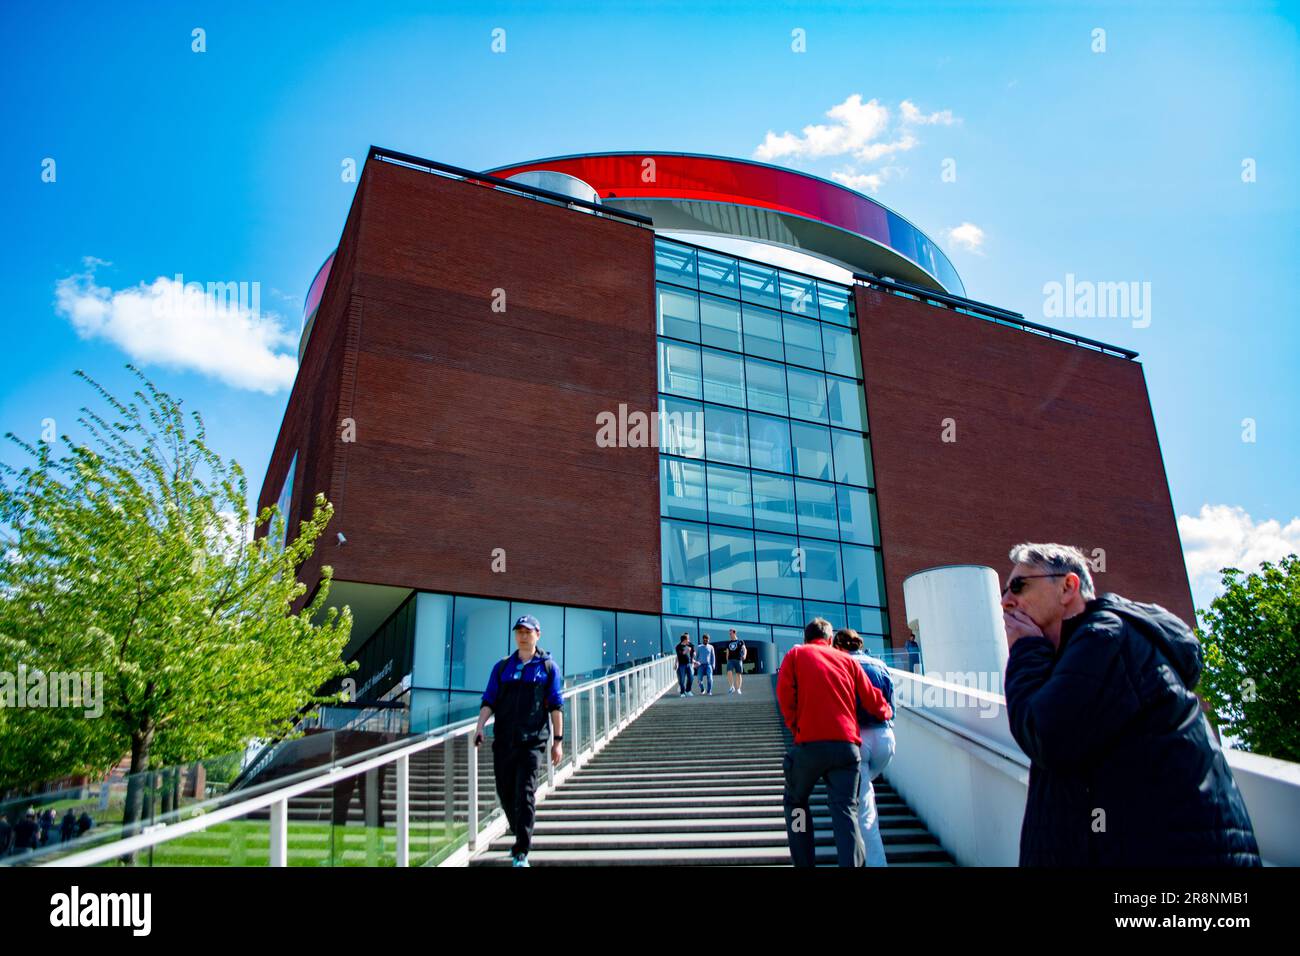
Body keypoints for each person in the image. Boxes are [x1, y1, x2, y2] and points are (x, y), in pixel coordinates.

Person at [1002, 542, 1261, 867]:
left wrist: (1026, 650)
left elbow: (1045, 735)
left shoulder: (1106, 637)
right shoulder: (1084, 653)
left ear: (1068, 586)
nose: (1005, 600)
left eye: (1018, 585)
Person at [777, 618, 893, 867]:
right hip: (846, 749)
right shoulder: (847, 660)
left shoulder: (796, 654)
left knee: (796, 803)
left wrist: (796, 727)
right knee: (846, 812)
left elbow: (785, 695)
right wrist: (886, 712)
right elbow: (873, 698)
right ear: (830, 640)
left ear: (805, 638)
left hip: (809, 747)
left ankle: (804, 862)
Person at [474, 614, 564, 868]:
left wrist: (558, 740)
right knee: (505, 792)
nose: (523, 635)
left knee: (525, 793)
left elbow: (556, 706)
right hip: (503, 740)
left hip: (532, 742)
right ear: (515, 635)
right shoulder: (502, 667)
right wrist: (480, 727)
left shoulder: (548, 668)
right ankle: (518, 830)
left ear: (538, 634)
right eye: (519, 631)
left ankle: (521, 851)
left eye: (528, 631)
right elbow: (489, 700)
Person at [833, 628, 896, 867]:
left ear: (839, 645)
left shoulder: (840, 666)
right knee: (865, 784)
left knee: (866, 813)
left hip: (859, 739)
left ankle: (875, 863)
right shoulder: (879, 664)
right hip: (885, 737)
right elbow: (891, 705)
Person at [724, 629, 747, 695]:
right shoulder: (728, 643)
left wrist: (744, 655)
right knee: (729, 672)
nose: (730, 635)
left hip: (738, 659)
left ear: (734, 633)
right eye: (729, 634)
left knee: (738, 674)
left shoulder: (740, 641)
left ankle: (738, 688)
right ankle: (732, 687)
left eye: (731, 633)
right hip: (730, 660)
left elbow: (744, 649)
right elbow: (727, 652)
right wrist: (727, 660)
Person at [674, 632, 696, 697]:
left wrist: (694, 656)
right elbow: (680, 654)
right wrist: (687, 650)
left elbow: (693, 651)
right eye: (687, 639)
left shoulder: (690, 645)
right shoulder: (678, 647)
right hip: (682, 665)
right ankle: (682, 692)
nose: (689, 640)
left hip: (689, 664)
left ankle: (688, 690)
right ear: (684, 640)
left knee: (691, 678)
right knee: (682, 679)